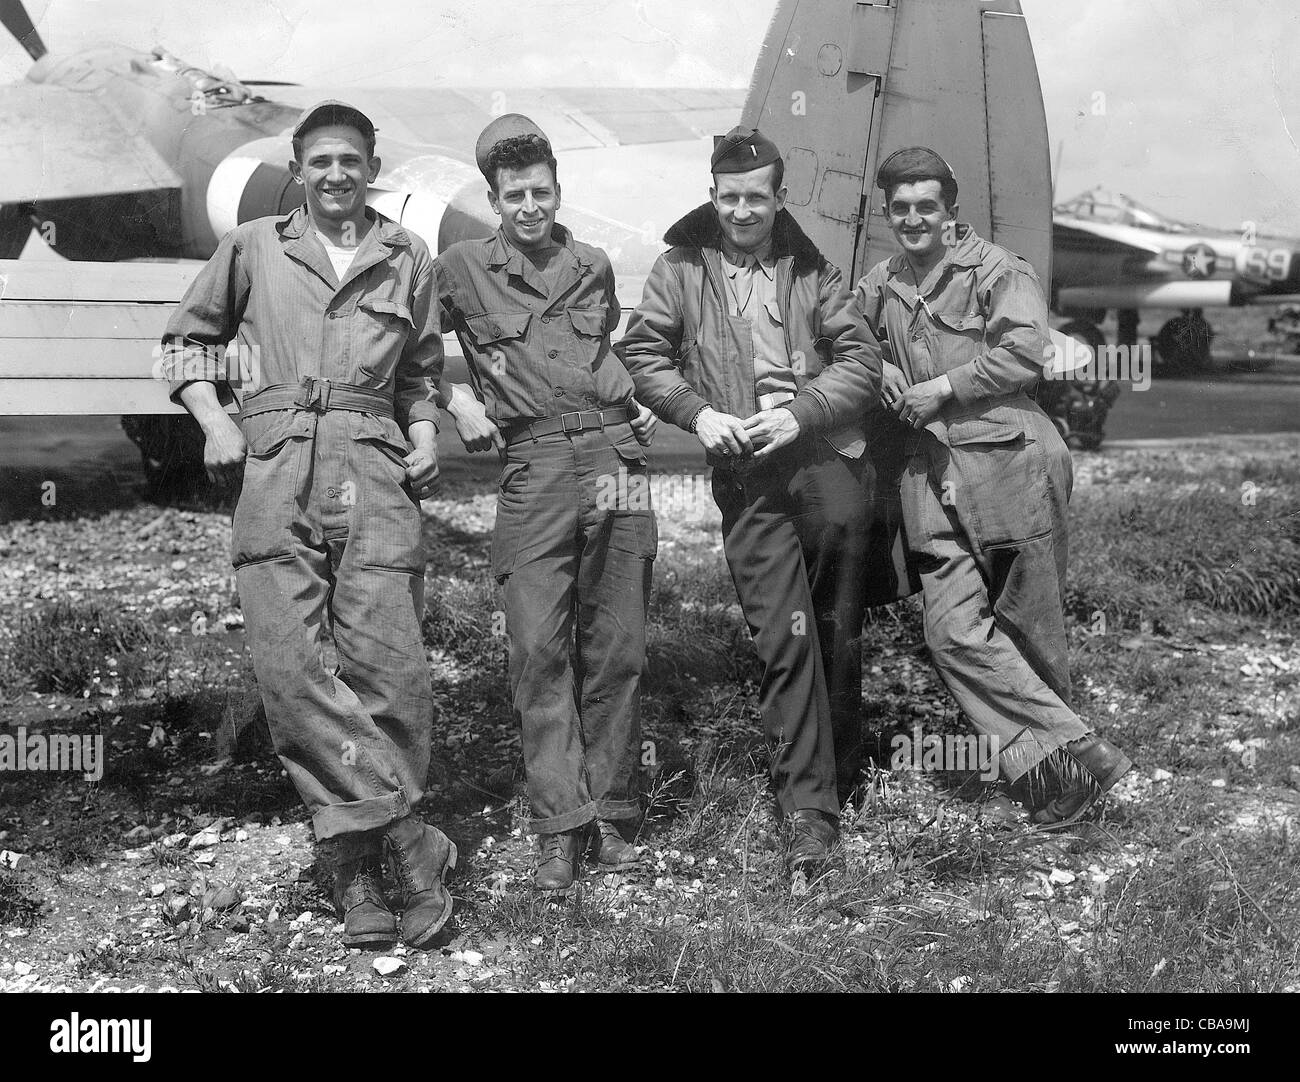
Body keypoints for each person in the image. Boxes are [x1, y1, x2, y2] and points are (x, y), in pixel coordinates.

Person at [161, 100, 456, 948]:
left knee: (388, 667)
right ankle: (393, 843)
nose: (336, 175)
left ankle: (364, 857)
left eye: (351, 161)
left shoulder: (407, 256)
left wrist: (428, 436)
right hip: (279, 457)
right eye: (320, 161)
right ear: (299, 167)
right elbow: (187, 343)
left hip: (376, 461)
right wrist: (216, 422)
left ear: (373, 166)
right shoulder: (255, 245)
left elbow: (422, 373)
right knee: (290, 664)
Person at [616, 126, 883, 875]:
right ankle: (810, 812)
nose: (742, 210)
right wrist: (699, 414)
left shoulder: (814, 270)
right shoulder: (679, 270)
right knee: (783, 633)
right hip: (747, 478)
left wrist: (800, 412)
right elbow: (643, 353)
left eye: (755, 198)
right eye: (729, 197)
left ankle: (839, 759)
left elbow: (862, 361)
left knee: (834, 627)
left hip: (824, 467)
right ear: (712, 195)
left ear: (778, 198)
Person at [854, 146, 1132, 828]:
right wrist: (874, 368)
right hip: (930, 473)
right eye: (901, 209)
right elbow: (841, 334)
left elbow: (1026, 351)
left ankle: (1058, 783)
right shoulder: (880, 283)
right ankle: (1082, 750)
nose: (914, 219)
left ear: (951, 211)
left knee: (1027, 624)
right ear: (888, 215)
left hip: (1010, 459)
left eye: (927, 206)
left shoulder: (997, 268)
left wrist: (943, 386)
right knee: (951, 631)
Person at [433, 114, 657, 892]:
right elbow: (405, 344)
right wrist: (455, 404)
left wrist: (640, 398)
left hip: (617, 455)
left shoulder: (592, 264)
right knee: (536, 648)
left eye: (542, 192)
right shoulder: (460, 267)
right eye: (514, 195)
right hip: (533, 463)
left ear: (558, 192)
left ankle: (614, 810)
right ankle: (561, 823)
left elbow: (606, 354)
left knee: (619, 643)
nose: (530, 206)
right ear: (493, 201)